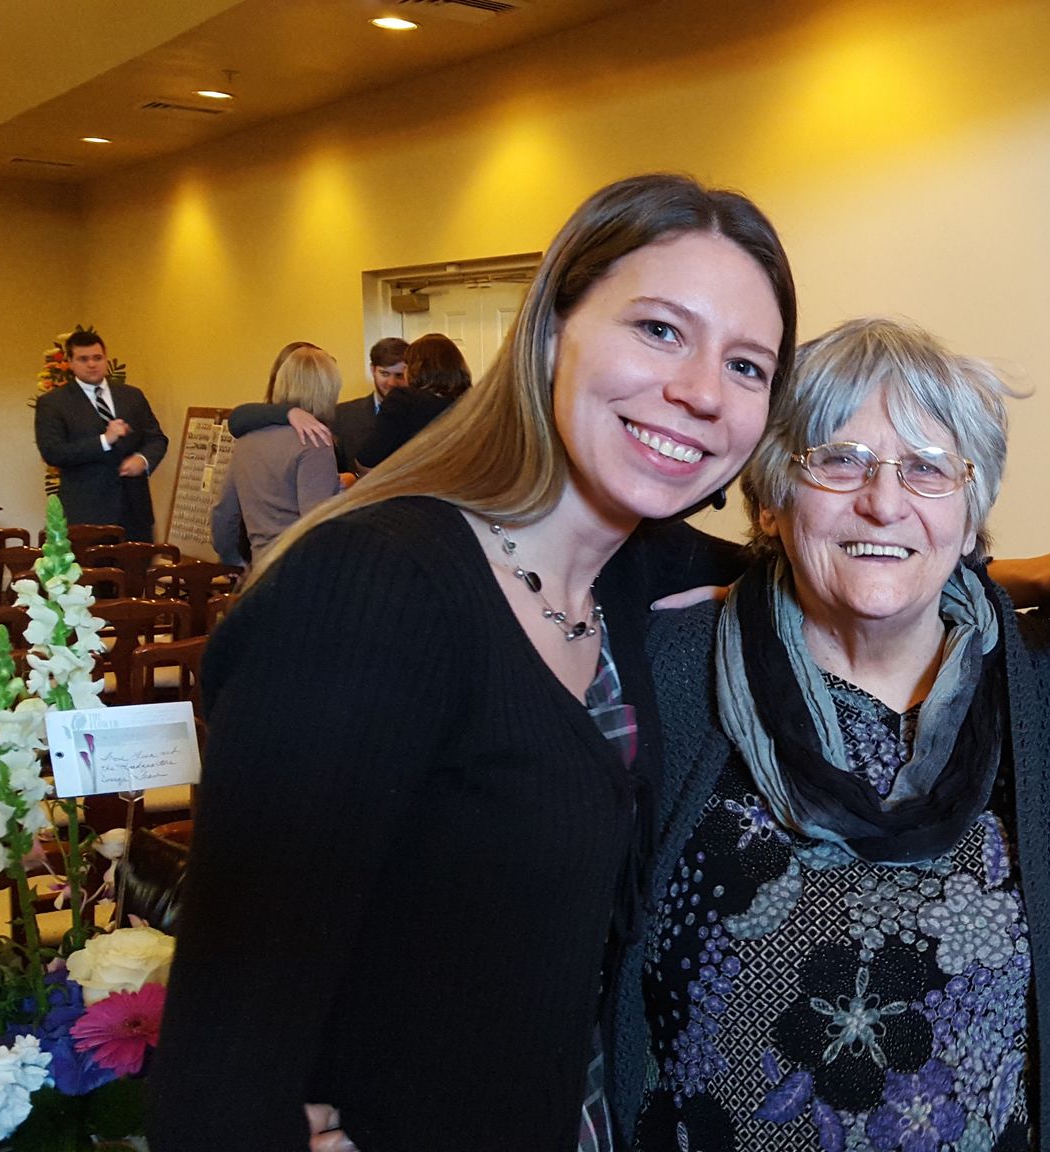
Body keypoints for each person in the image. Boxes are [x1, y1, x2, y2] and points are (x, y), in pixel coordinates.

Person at [149, 172, 797, 1152]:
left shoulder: (632, 568)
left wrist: (1027, 579)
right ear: (550, 335)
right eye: (660, 330)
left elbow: (834, 574)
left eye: (747, 366)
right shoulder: (372, 589)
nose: (703, 392)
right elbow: (224, 1058)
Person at [612, 318, 1050, 1152]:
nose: (884, 502)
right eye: (840, 461)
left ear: (970, 514)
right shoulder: (670, 672)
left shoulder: (1043, 691)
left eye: (928, 468)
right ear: (771, 499)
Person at [210, 346, 344, 567]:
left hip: (260, 565)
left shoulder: (247, 439)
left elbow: (223, 512)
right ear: (327, 390)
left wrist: (233, 561)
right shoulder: (315, 442)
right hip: (297, 569)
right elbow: (316, 528)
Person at [32, 329, 169, 540]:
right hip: (87, 512)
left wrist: (143, 460)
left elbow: (156, 439)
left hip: (134, 510)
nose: (92, 364)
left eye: (97, 358)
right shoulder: (53, 403)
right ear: (70, 362)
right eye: (83, 359)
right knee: (94, 563)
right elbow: (53, 452)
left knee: (138, 562)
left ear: (105, 359)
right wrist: (104, 440)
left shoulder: (131, 396)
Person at [354, 332, 472, 469]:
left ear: (416, 369)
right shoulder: (471, 402)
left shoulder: (403, 401)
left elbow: (368, 458)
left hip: (412, 481)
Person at [335, 337, 407, 473]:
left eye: (399, 376)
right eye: (384, 374)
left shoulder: (422, 415)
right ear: (372, 370)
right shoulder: (341, 415)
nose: (391, 383)